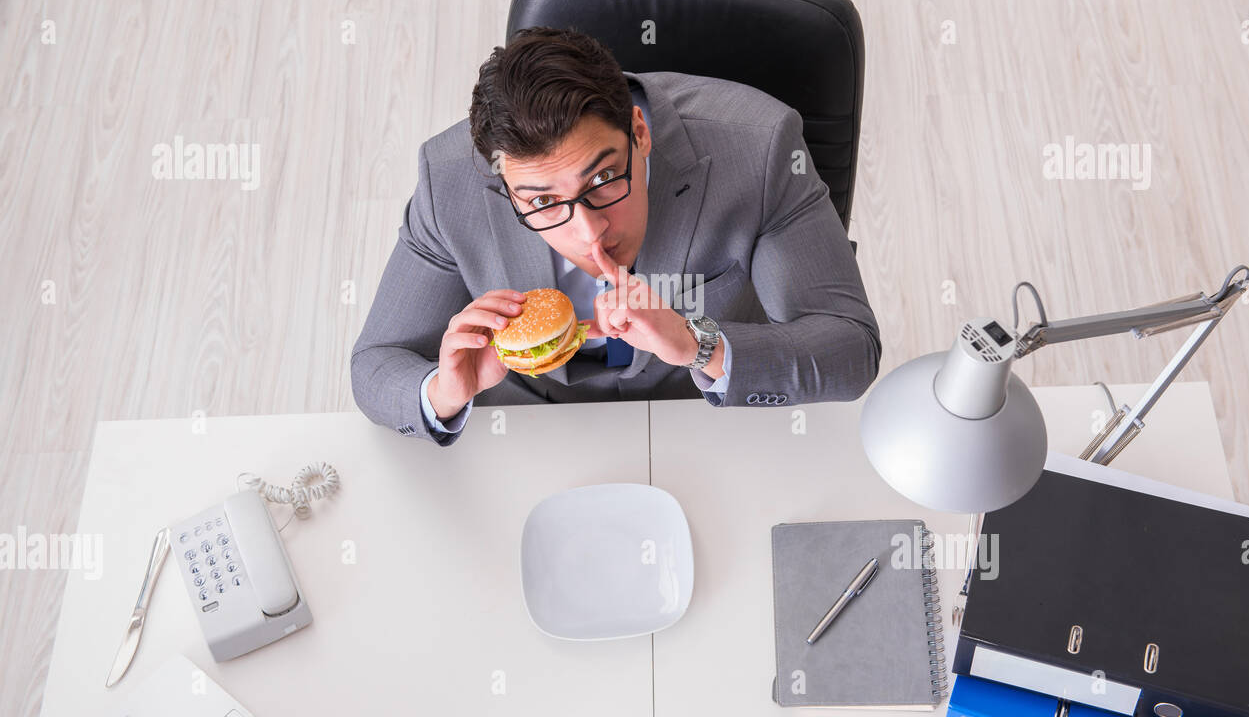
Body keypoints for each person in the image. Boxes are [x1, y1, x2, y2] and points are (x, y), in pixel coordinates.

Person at [351, 27, 882, 446]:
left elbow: (850, 348)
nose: (589, 231)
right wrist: (444, 392)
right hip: (529, 431)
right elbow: (376, 364)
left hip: (709, 421)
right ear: (502, 187)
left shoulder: (760, 148)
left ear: (640, 133)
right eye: (540, 202)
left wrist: (701, 344)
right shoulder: (448, 181)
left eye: (603, 179)